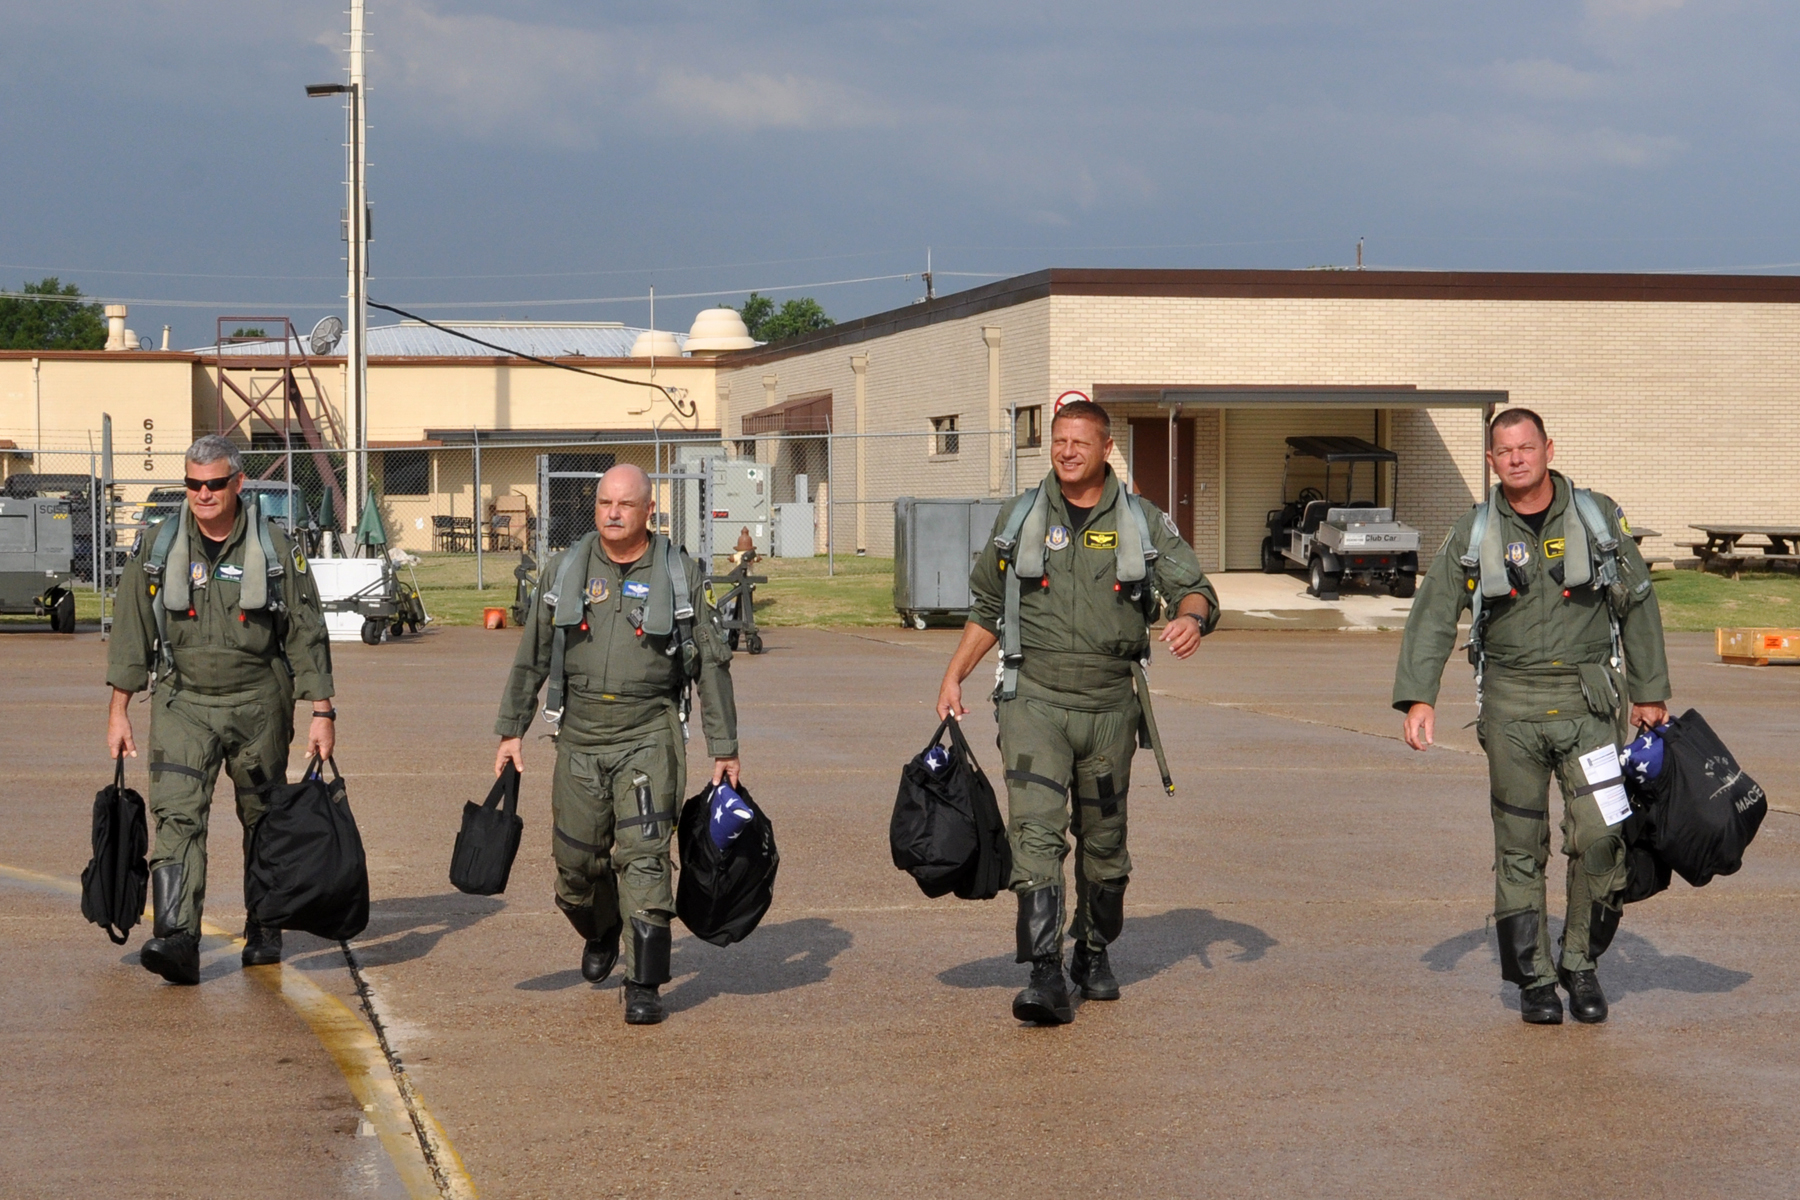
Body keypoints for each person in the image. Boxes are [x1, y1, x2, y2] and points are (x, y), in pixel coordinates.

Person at [935, 401, 1217, 1025]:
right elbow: (987, 605)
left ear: (1106, 448)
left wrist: (1192, 619)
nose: (1066, 451)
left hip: (1111, 705)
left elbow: (1195, 586)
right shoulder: (1021, 517)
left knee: (1104, 845)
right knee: (1034, 835)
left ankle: (1092, 950)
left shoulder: (1142, 522)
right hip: (1033, 697)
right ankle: (1044, 974)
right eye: (1058, 441)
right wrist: (955, 675)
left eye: (1079, 442)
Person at [1393, 409, 1669, 1025]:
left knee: (1602, 835)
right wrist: (1420, 696)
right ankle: (1535, 980)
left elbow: (1639, 602)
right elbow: (1436, 610)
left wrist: (1649, 690)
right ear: (1491, 461)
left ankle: (1581, 962)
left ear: (1548, 448)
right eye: (1504, 451)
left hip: (1591, 706)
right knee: (1519, 848)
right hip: (1513, 711)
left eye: (1526, 447)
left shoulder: (1597, 519)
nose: (1516, 459)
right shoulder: (1475, 530)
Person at [495, 464, 741, 1026]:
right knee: (576, 867)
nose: (611, 513)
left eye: (624, 505)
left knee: (645, 858)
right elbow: (531, 654)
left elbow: (711, 665)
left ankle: (644, 983)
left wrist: (723, 744)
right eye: (604, 502)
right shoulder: (565, 570)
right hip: (578, 735)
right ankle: (603, 928)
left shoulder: (680, 574)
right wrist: (512, 730)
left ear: (647, 510)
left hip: (648, 733)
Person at [106, 434, 336, 985]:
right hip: (183, 702)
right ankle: (178, 937)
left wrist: (323, 711)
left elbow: (306, 629)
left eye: (213, 483)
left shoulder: (276, 548)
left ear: (237, 483)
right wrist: (118, 711)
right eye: (192, 483)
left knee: (263, 817)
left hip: (259, 701)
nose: (202, 494)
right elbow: (133, 631)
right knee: (177, 815)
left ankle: (265, 924)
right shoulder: (158, 546)